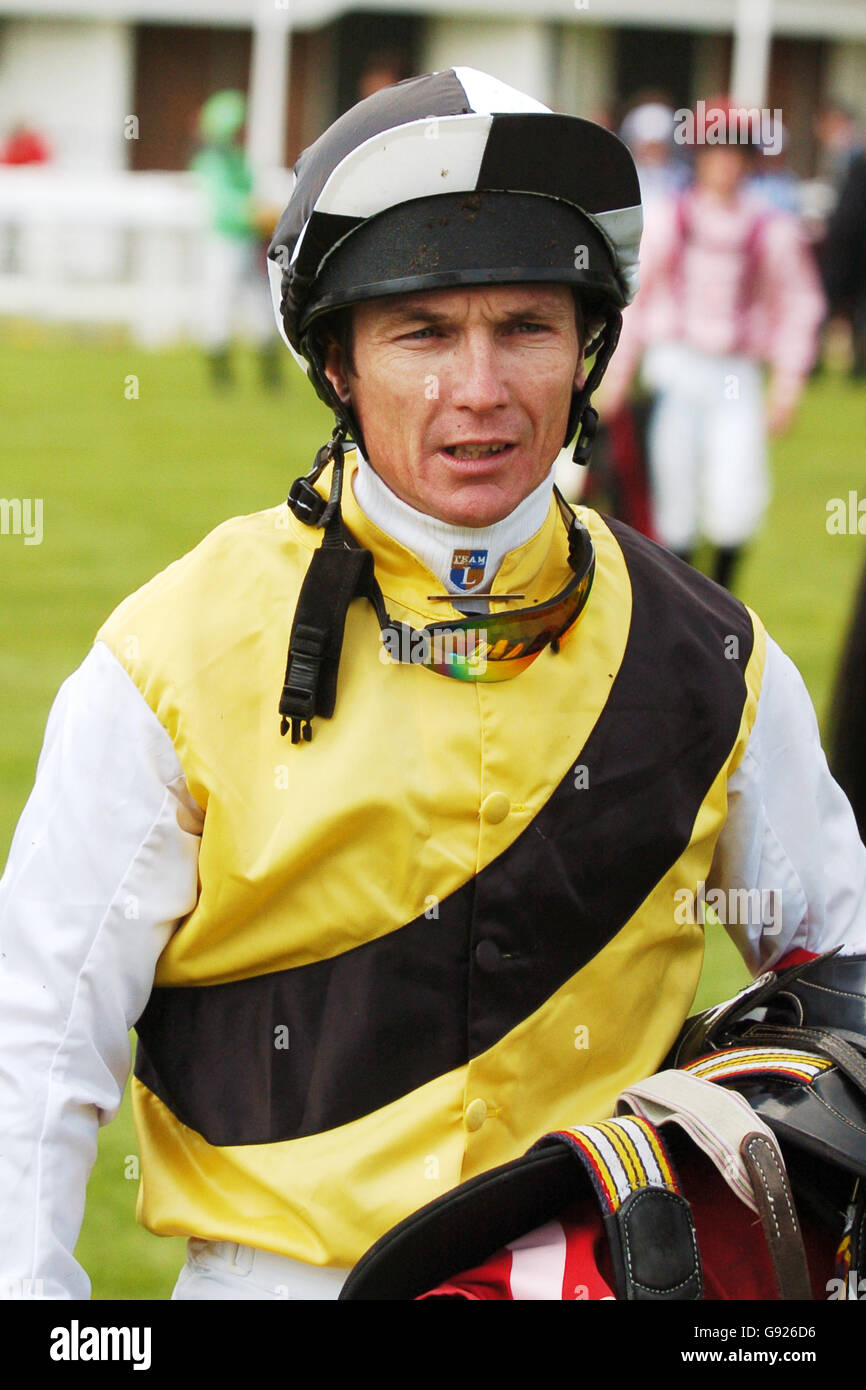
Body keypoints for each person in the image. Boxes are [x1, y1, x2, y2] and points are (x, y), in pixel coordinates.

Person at [1, 67, 865, 1303]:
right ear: (338, 362)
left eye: (525, 326)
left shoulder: (709, 654)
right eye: (422, 330)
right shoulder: (173, 652)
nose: (479, 388)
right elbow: (33, 1039)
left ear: (586, 353)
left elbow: (839, 962)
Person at [602, 96, 826, 590]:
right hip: (674, 367)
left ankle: (722, 597)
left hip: (735, 371)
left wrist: (787, 385)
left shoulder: (772, 228)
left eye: (735, 153)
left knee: (737, 489)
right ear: (698, 157)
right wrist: (616, 373)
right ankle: (675, 598)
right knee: (671, 488)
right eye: (715, 151)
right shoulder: (668, 219)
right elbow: (635, 299)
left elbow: (798, 306)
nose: (724, 164)